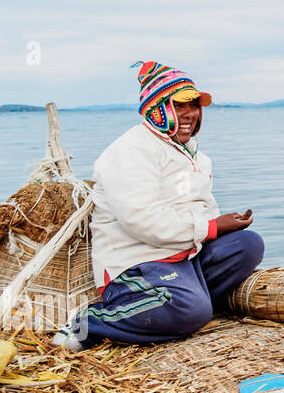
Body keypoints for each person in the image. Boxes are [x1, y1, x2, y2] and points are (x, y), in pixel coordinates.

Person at [51, 61, 263, 351]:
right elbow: (141, 220)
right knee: (193, 311)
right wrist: (212, 226)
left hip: (185, 255)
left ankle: (183, 302)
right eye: (180, 106)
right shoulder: (131, 151)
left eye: (196, 106)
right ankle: (88, 323)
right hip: (139, 262)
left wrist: (223, 224)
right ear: (157, 107)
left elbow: (202, 208)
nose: (191, 114)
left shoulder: (195, 155)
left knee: (248, 244)